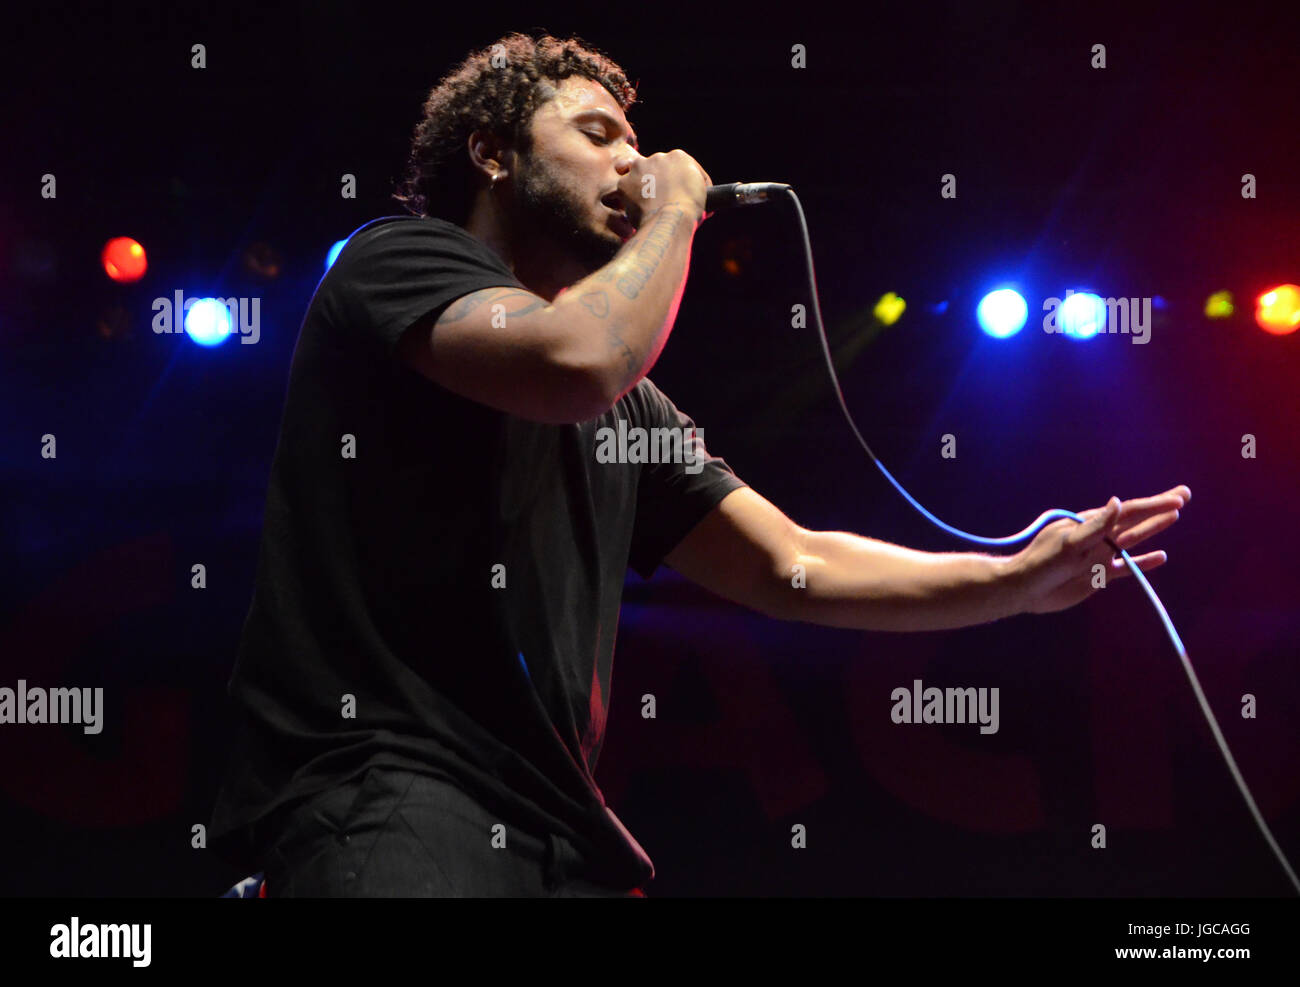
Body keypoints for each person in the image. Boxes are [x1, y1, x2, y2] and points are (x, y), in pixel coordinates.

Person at [207, 31, 1190, 897]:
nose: (635, 161)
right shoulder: (393, 263)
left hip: (562, 830)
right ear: (492, 153)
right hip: (392, 791)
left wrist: (1013, 582)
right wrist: (675, 211)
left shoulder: (626, 411)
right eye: (598, 136)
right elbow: (577, 358)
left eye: (638, 145)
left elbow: (789, 564)